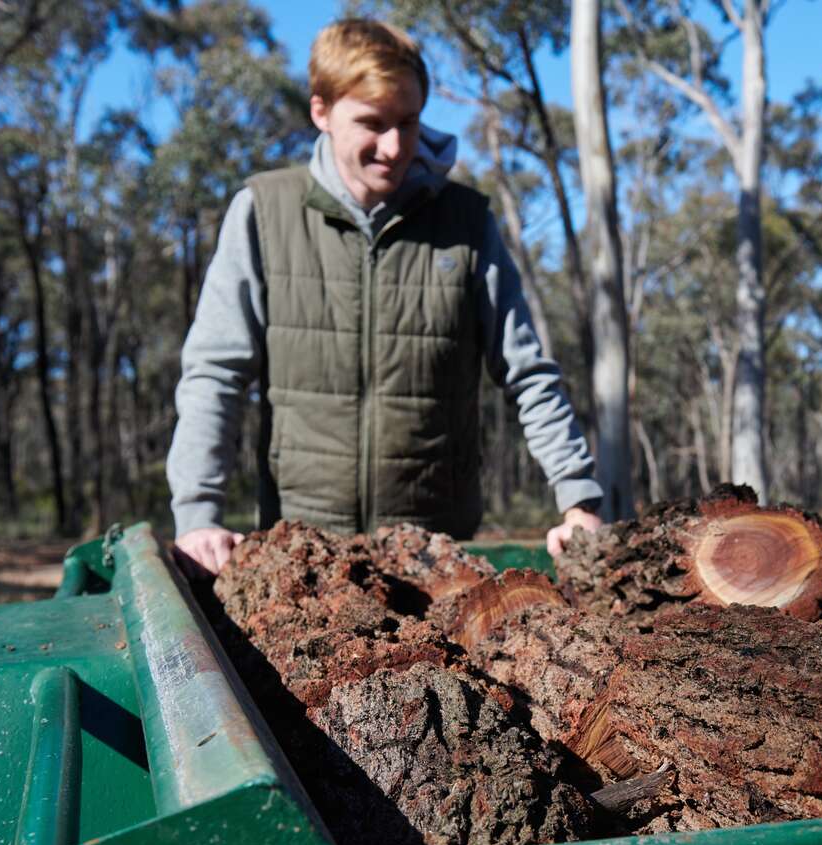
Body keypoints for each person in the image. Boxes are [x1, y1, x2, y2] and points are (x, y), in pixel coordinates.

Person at [166, 18, 603, 577]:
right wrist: (198, 515)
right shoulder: (263, 213)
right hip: (300, 556)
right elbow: (215, 375)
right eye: (372, 123)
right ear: (320, 111)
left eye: (409, 122)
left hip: (439, 559)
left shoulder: (466, 223)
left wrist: (579, 500)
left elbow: (527, 373)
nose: (395, 147)